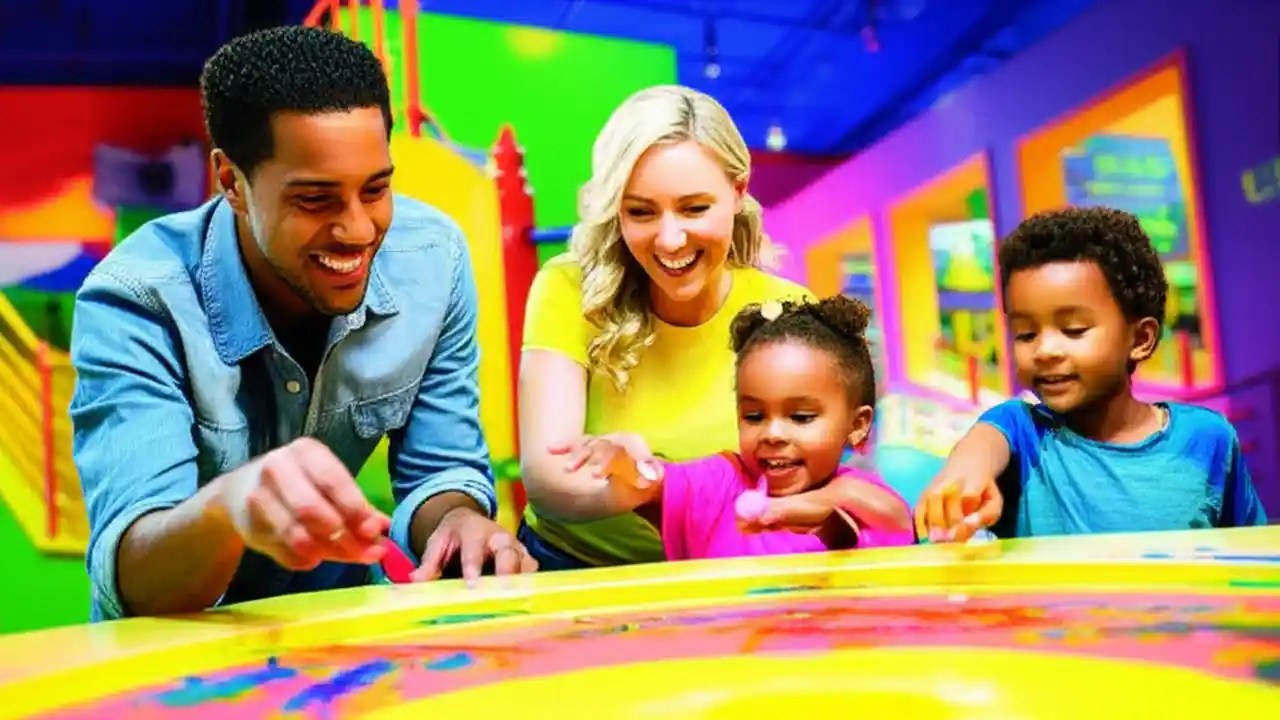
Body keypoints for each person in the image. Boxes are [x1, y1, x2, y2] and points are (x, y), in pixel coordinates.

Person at [69, 26, 534, 623]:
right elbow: (135, 579)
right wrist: (230, 507)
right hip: (180, 658)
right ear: (232, 182)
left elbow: (439, 468)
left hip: (345, 630)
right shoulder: (136, 299)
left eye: (376, 189)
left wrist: (459, 521)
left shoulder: (433, 258)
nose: (359, 229)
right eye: (315, 200)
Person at [516, 85, 814, 569]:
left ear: (738, 193)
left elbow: (809, 479)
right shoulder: (567, 288)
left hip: (729, 569)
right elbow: (548, 482)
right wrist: (634, 488)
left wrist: (656, 484)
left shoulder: (791, 310)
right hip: (570, 566)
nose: (670, 239)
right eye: (640, 212)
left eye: (695, 208)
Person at [915, 207, 1268, 543]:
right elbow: (979, 450)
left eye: (1074, 329)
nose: (1045, 350)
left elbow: (1251, 555)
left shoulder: (1208, 439)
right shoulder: (1022, 431)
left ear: (1141, 339)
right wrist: (962, 482)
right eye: (1026, 334)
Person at [554, 296, 915, 560]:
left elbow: (896, 520)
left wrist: (819, 506)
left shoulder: (858, 491)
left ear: (857, 425)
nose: (772, 433)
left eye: (801, 417)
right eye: (754, 416)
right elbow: (649, 481)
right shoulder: (721, 483)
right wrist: (623, 461)